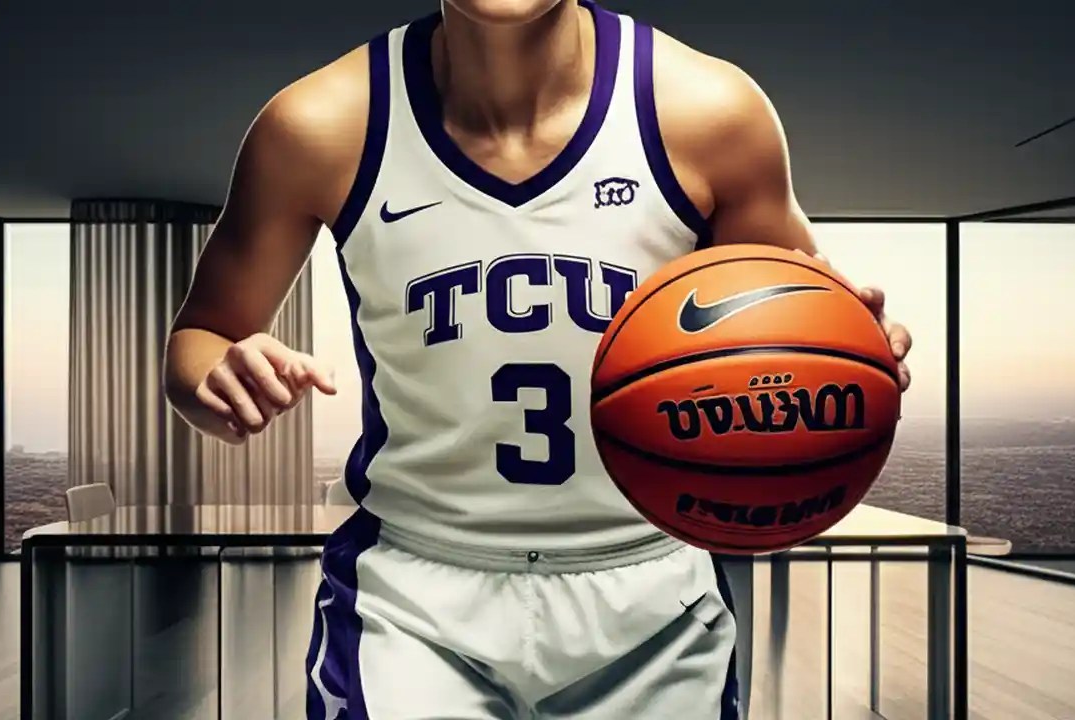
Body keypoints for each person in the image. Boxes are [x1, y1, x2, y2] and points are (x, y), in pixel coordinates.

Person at [163, 1, 913, 718]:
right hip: (414, 595)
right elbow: (200, 338)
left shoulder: (710, 113)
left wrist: (855, 356)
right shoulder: (319, 124)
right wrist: (217, 379)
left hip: (650, 588)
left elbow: (800, 328)